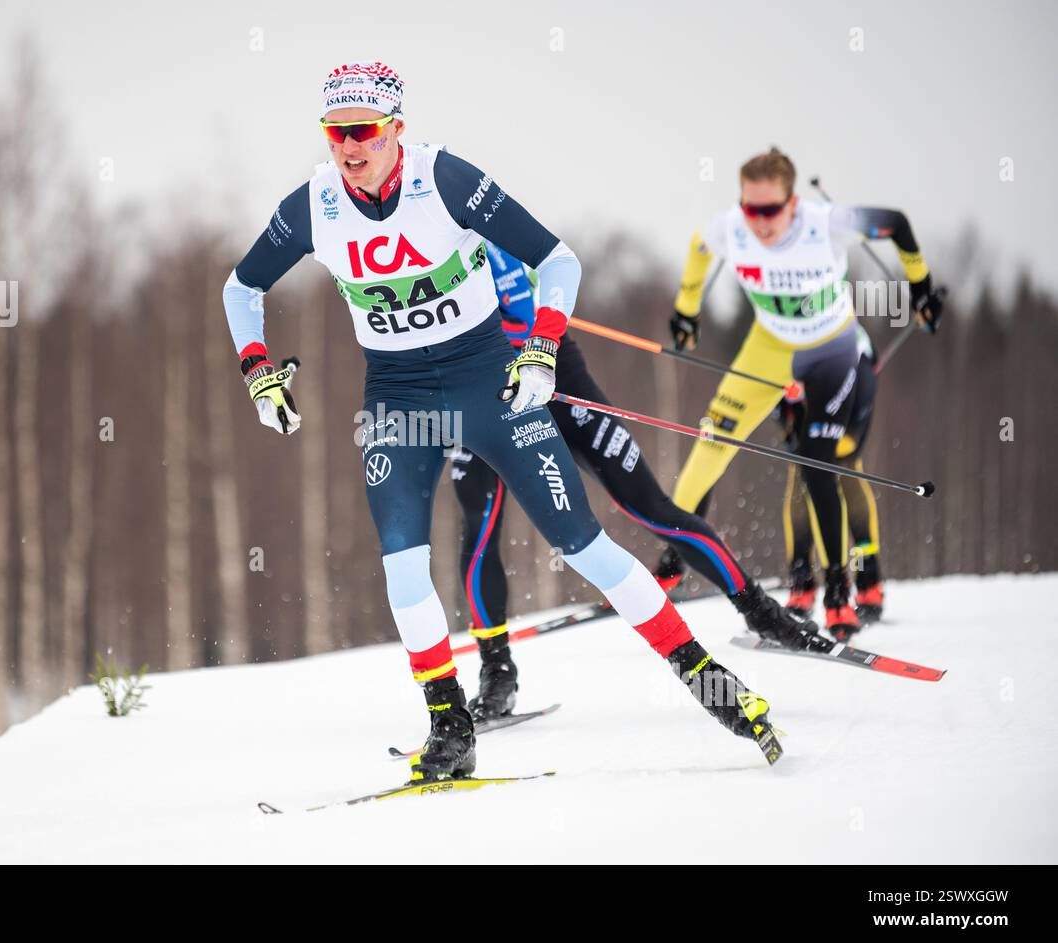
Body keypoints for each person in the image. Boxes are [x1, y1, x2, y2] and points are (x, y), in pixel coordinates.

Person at [222, 61, 782, 778]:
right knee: (402, 561)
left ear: (397, 128)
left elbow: (559, 260)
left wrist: (543, 347)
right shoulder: (313, 205)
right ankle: (450, 726)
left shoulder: (444, 179)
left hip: (485, 379)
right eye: (334, 135)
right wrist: (258, 370)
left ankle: (716, 687)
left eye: (362, 132)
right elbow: (242, 288)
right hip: (397, 396)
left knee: (584, 545)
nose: (348, 149)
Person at [452, 242, 829, 722]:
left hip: (548, 374)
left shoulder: (483, 240)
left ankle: (761, 611)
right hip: (480, 394)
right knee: (479, 527)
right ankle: (497, 671)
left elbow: (527, 316)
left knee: (649, 505)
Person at [653, 147, 942, 639]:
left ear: (792, 203)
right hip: (769, 344)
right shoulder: (731, 229)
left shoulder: (824, 222)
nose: (760, 222)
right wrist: (687, 310)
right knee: (711, 439)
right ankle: (673, 556)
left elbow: (896, 222)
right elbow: (701, 246)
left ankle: (837, 593)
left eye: (770, 210)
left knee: (816, 463)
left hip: (831, 345)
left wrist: (920, 285)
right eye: (750, 209)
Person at [780, 325, 884, 627]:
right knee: (800, 475)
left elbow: (856, 431)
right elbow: (779, 409)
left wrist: (835, 445)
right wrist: (789, 424)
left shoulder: (855, 366)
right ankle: (802, 578)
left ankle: (867, 576)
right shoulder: (780, 354)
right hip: (809, 400)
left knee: (844, 468)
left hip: (847, 405)